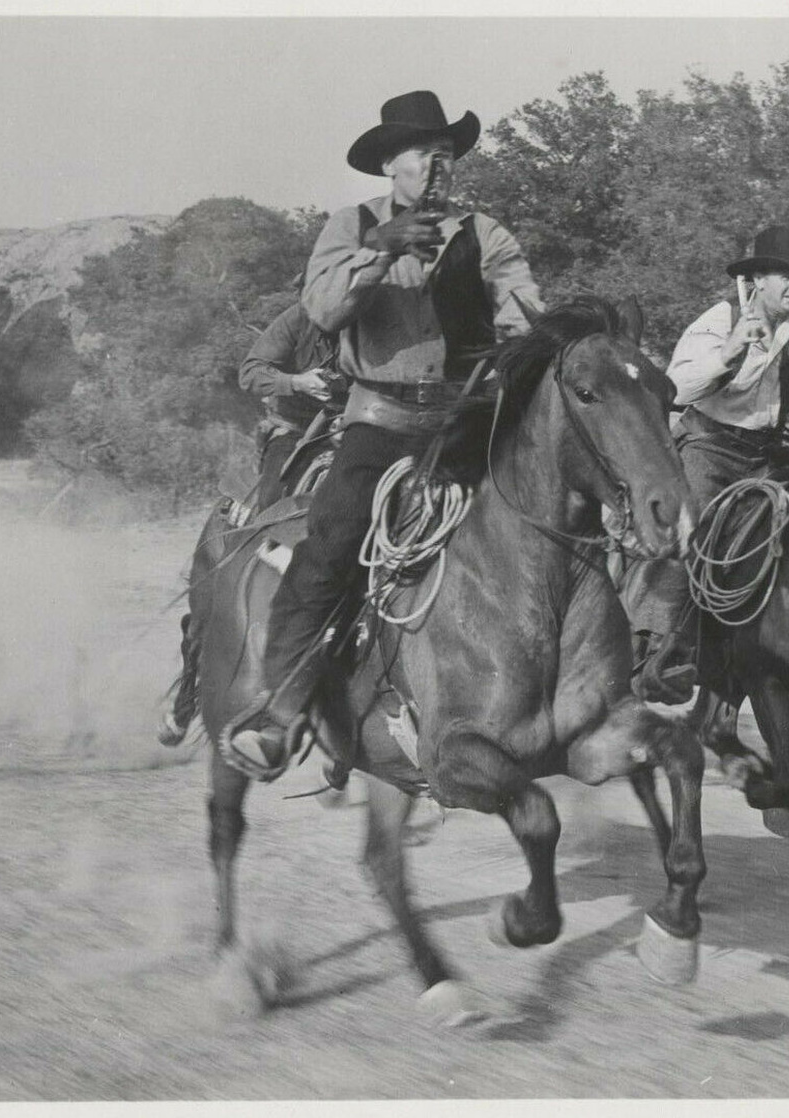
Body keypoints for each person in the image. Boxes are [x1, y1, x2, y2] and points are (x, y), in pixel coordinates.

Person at [230, 90, 543, 774]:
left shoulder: (484, 233)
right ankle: (280, 710)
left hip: (470, 420)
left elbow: (522, 313)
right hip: (382, 421)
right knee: (333, 541)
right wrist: (378, 252)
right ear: (390, 165)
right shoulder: (351, 225)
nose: (438, 164)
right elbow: (321, 308)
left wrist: (518, 353)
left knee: (556, 516)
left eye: (445, 154)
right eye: (422, 154)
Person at [633, 224, 789, 705]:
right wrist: (729, 353)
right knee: (688, 528)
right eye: (785, 276)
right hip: (711, 445)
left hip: (777, 452)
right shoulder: (720, 317)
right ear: (758, 280)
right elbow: (673, 390)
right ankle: (659, 649)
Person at [237, 296, 343, 508]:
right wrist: (296, 382)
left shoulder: (371, 323)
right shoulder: (297, 319)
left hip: (350, 429)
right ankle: (263, 539)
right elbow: (250, 373)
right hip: (295, 429)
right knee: (273, 500)